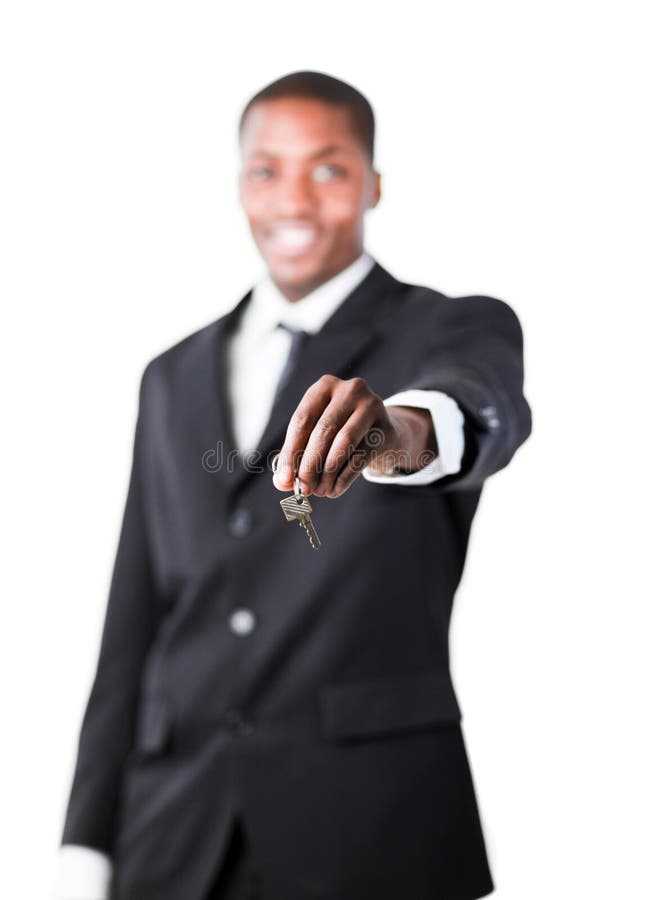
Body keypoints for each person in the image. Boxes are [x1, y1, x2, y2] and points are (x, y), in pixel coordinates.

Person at [55, 70, 532, 900]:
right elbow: (132, 621)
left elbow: (469, 409)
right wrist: (84, 847)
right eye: (267, 170)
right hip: (171, 834)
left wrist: (394, 434)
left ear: (373, 183)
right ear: (240, 185)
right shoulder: (170, 376)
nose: (294, 200)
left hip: (373, 830)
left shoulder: (448, 326)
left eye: (329, 168)